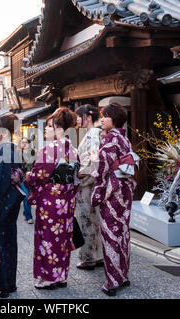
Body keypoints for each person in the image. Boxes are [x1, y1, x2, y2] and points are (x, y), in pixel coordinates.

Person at [24, 108, 80, 290]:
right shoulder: (73, 148)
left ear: (57, 127)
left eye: (48, 126)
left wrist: (27, 176)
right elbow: (76, 177)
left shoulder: (49, 149)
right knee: (63, 237)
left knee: (48, 237)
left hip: (50, 200)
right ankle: (61, 276)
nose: (46, 130)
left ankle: (49, 278)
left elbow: (38, 175)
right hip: (67, 200)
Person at [91, 103, 137, 297]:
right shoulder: (124, 138)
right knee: (123, 234)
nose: (102, 119)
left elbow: (102, 168)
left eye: (105, 116)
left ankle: (113, 281)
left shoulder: (110, 138)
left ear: (114, 118)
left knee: (110, 234)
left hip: (112, 192)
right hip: (125, 191)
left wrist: (95, 162)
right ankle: (123, 275)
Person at [0, 113, 25, 298]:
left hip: (1, 203)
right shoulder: (12, 149)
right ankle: (10, 282)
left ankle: (2, 285)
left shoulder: (2, 150)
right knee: (9, 241)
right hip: (11, 201)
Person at [75, 104, 104, 270]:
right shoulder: (94, 133)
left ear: (87, 116)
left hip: (87, 182)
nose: (77, 119)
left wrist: (81, 174)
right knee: (94, 219)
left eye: (79, 116)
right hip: (92, 181)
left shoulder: (93, 133)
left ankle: (88, 258)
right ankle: (98, 255)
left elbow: (94, 158)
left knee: (86, 219)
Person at [20, 137, 35, 224]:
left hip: (31, 178)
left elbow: (36, 164)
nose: (24, 144)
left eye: (26, 142)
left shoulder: (33, 153)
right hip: (22, 179)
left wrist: (32, 171)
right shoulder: (18, 154)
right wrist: (25, 171)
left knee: (29, 197)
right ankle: (29, 217)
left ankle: (25, 213)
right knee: (26, 196)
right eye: (23, 142)